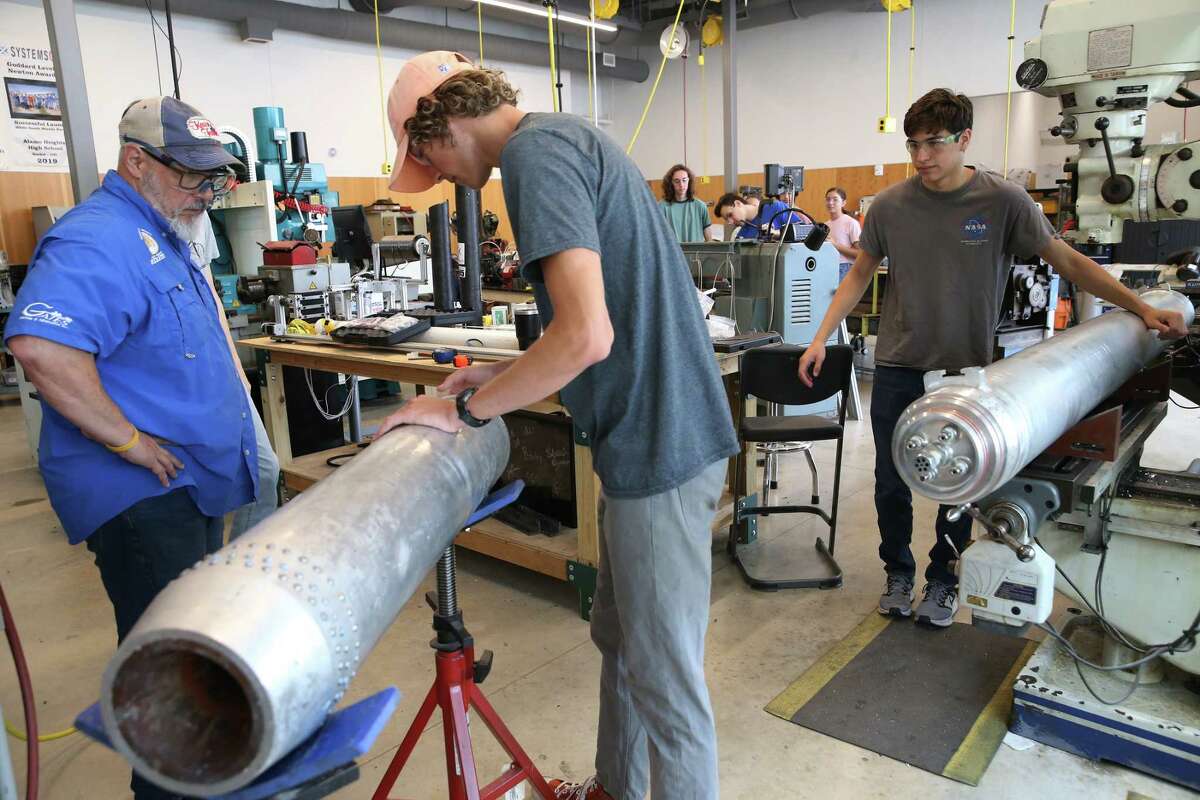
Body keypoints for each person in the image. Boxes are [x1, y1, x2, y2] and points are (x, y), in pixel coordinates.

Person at [377, 52, 738, 800]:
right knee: (623, 643)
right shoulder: (562, 139)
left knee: (667, 683)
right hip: (644, 444)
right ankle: (616, 787)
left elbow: (586, 338)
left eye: (427, 160)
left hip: (659, 448)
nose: (440, 177)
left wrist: (465, 409)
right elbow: (590, 330)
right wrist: (494, 378)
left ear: (437, 125)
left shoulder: (535, 157)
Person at [796, 89, 1187, 629]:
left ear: (964, 140)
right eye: (913, 144)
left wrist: (1141, 307)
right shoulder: (889, 206)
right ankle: (898, 572)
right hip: (899, 365)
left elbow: (1068, 260)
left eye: (933, 143)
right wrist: (821, 336)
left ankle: (943, 579)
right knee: (892, 480)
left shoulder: (1003, 202)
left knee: (961, 486)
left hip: (967, 373)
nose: (922, 157)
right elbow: (860, 273)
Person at [4, 96, 258, 800]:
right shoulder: (99, 237)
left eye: (216, 181)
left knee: (191, 656)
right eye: (192, 178)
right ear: (136, 161)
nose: (206, 195)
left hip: (189, 486)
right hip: (147, 499)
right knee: (171, 674)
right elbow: (42, 348)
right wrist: (128, 441)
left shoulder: (161, 229)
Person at [190, 212, 281, 538]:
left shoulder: (197, 217)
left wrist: (235, 367)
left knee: (265, 471)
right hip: (177, 377)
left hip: (215, 364)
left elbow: (209, 293)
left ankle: (242, 567)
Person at [658, 163, 714, 242]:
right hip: (672, 253)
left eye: (684, 180)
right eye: (677, 181)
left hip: (696, 253)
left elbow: (708, 236)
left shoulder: (700, 206)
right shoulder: (661, 207)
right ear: (671, 183)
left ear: (689, 181)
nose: (681, 184)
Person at [714, 190, 802, 240]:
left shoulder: (775, 207)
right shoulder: (742, 236)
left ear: (738, 203)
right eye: (726, 219)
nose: (730, 222)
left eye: (730, 215)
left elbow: (803, 232)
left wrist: (777, 233)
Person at [824, 186, 862, 281]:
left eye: (835, 199)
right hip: (826, 267)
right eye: (828, 199)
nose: (830, 203)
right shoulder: (825, 225)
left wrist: (836, 245)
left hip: (844, 268)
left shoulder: (851, 223)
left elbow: (860, 253)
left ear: (843, 203)